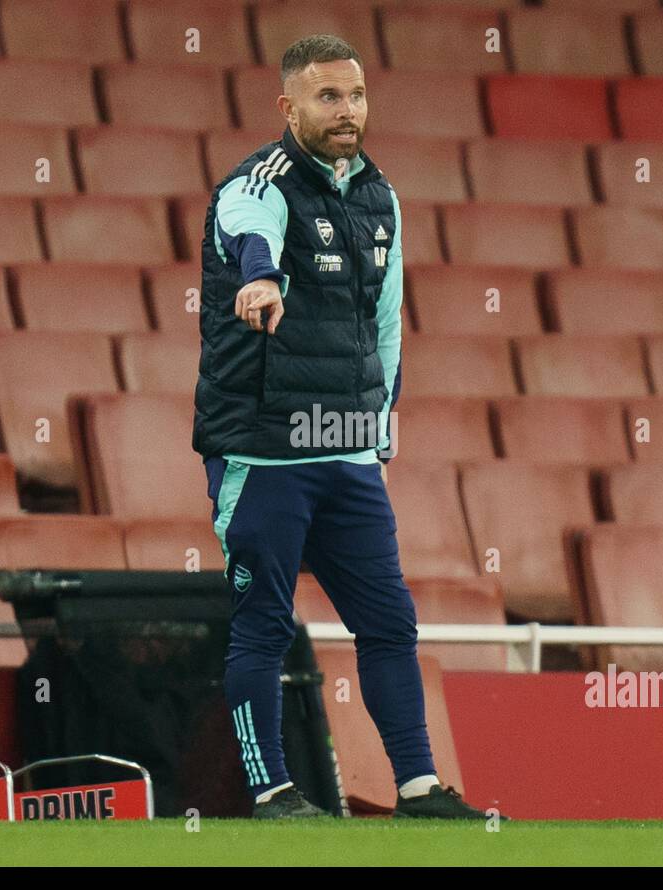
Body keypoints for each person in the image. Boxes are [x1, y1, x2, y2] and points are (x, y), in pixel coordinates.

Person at [195, 35, 497, 819]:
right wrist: (260, 277)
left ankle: (419, 788)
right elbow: (247, 232)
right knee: (263, 622)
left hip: (347, 447)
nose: (347, 112)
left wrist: (378, 426)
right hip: (262, 447)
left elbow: (385, 319)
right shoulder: (256, 183)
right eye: (328, 97)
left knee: (389, 619)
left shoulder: (380, 197)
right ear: (288, 106)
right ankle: (272, 793)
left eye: (355, 96)